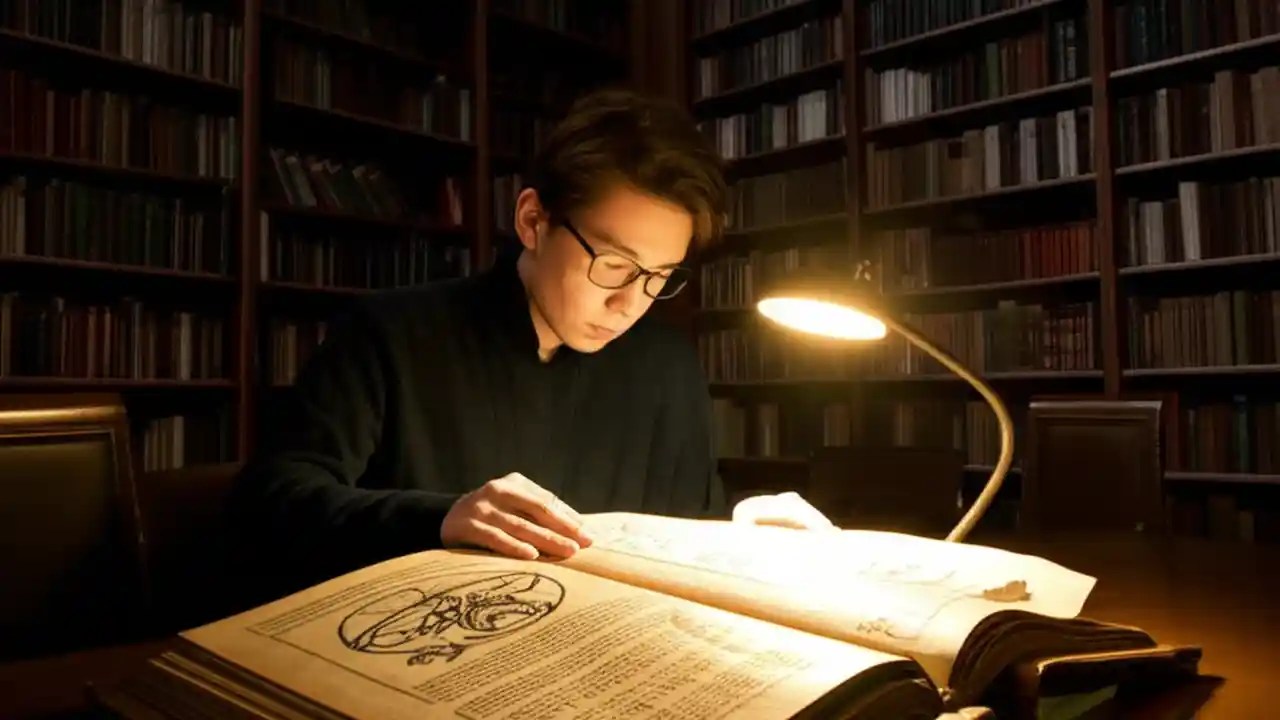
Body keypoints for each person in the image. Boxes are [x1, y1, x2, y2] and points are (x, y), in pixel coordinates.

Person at [227, 88, 833, 601]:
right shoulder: (390, 334)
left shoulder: (668, 366)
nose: (630, 303)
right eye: (614, 265)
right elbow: (272, 502)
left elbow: (680, 529)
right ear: (532, 222)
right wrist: (439, 519)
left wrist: (736, 534)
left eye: (658, 277)